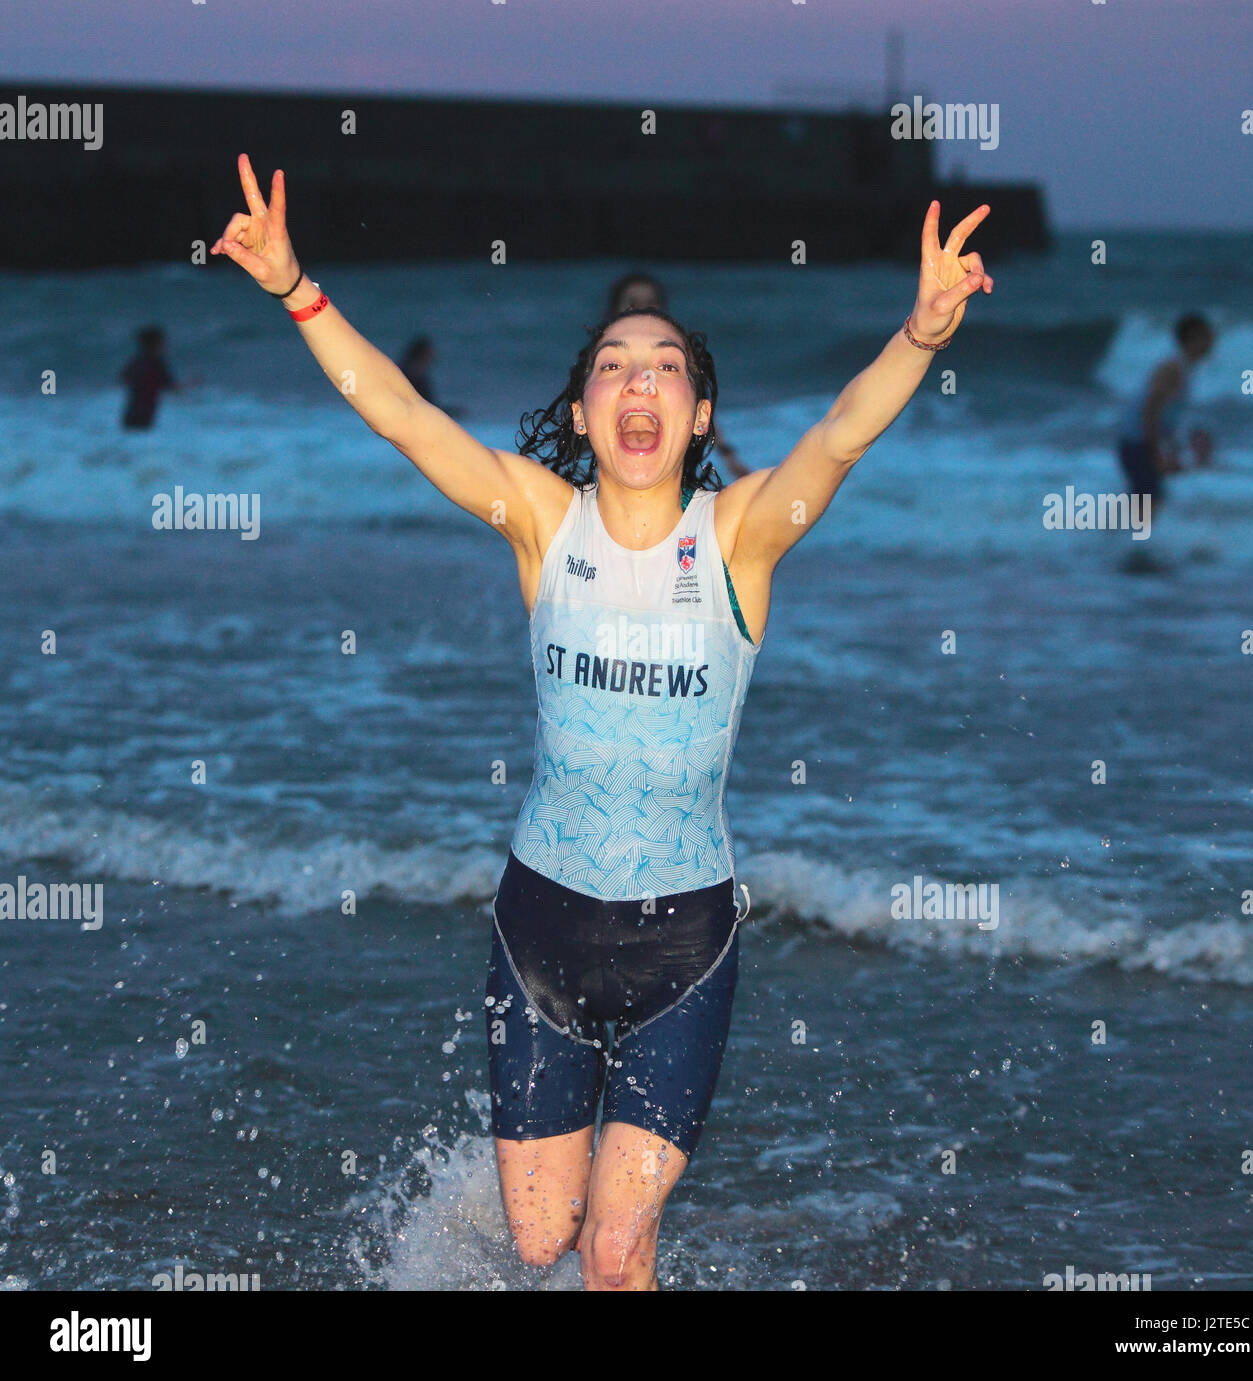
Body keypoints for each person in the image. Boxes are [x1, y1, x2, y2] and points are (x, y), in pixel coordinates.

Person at [213, 156, 993, 1290]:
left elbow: (838, 438)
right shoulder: (541, 520)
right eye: (614, 367)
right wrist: (298, 291)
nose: (640, 383)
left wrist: (921, 335)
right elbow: (403, 416)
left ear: (699, 412)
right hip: (539, 932)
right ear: (585, 408)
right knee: (544, 1241)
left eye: (665, 368)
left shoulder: (739, 538)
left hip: (683, 942)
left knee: (614, 1249)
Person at [605, 273, 751, 478]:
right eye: (632, 303)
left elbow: (702, 411)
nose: (642, 309)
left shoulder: (675, 360)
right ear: (613, 310)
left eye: (651, 303)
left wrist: (730, 459)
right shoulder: (600, 365)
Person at [1117, 313, 1215, 522]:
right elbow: (1150, 409)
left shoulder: (1185, 369)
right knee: (1149, 502)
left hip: (1141, 442)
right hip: (1137, 442)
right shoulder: (1172, 369)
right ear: (1193, 338)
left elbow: (1165, 417)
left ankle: (1121, 547)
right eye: (1208, 336)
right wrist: (1155, 451)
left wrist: (1169, 448)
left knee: (1147, 501)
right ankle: (1128, 549)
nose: (1212, 342)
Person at [120, 326, 178, 430]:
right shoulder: (157, 363)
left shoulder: (137, 361)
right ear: (156, 344)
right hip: (146, 411)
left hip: (132, 411)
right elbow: (170, 386)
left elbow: (124, 378)